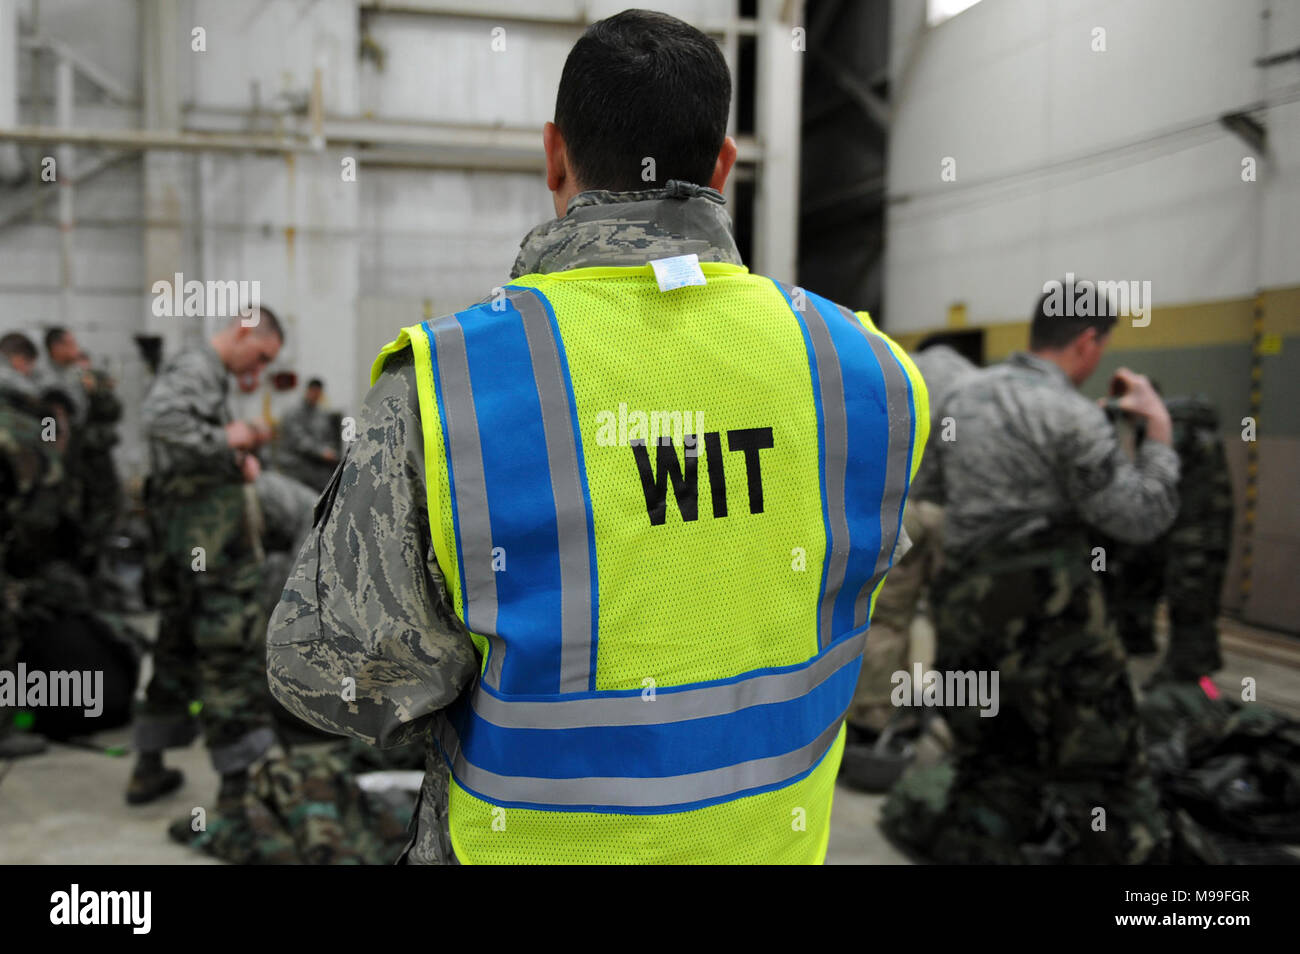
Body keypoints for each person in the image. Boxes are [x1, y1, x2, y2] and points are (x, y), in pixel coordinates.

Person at [268, 8, 928, 864]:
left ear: (554, 153)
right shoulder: (868, 373)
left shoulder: (455, 382)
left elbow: (328, 680)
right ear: (723, 166)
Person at [922, 282, 1180, 864]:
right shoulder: (1073, 416)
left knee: (990, 762)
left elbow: (931, 486)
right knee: (1104, 765)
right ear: (1088, 341)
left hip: (965, 612)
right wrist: (1158, 434)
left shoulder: (963, 397)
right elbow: (1139, 516)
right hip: (1051, 620)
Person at [127, 307, 285, 810]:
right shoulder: (197, 368)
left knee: (174, 645)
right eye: (258, 357)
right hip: (209, 544)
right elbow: (158, 419)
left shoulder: (204, 375)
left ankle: (147, 768)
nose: (254, 373)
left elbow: (182, 449)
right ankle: (235, 790)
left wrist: (232, 456)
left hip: (179, 541)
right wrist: (227, 439)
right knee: (227, 647)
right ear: (242, 330)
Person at [1104, 394, 1234, 684]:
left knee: (1190, 601)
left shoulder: (1183, 435)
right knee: (1142, 578)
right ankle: (1140, 639)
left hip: (1193, 536)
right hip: (1182, 531)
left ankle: (1190, 670)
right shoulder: (1202, 440)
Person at [277, 378, 339, 491]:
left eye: (318, 393)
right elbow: (299, 441)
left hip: (317, 470)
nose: (315, 396)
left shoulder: (322, 414)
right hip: (296, 468)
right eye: (313, 392)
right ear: (308, 391)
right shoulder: (293, 413)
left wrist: (331, 451)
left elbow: (329, 437)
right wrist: (322, 452)